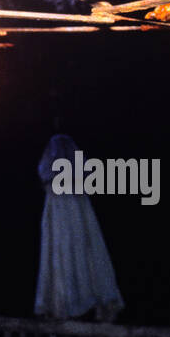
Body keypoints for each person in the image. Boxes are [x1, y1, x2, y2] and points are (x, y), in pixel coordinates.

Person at [34, 134, 124, 322]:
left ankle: (81, 302)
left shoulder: (76, 191)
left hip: (73, 211)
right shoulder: (58, 192)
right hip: (62, 211)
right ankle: (64, 302)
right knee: (63, 253)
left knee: (82, 252)